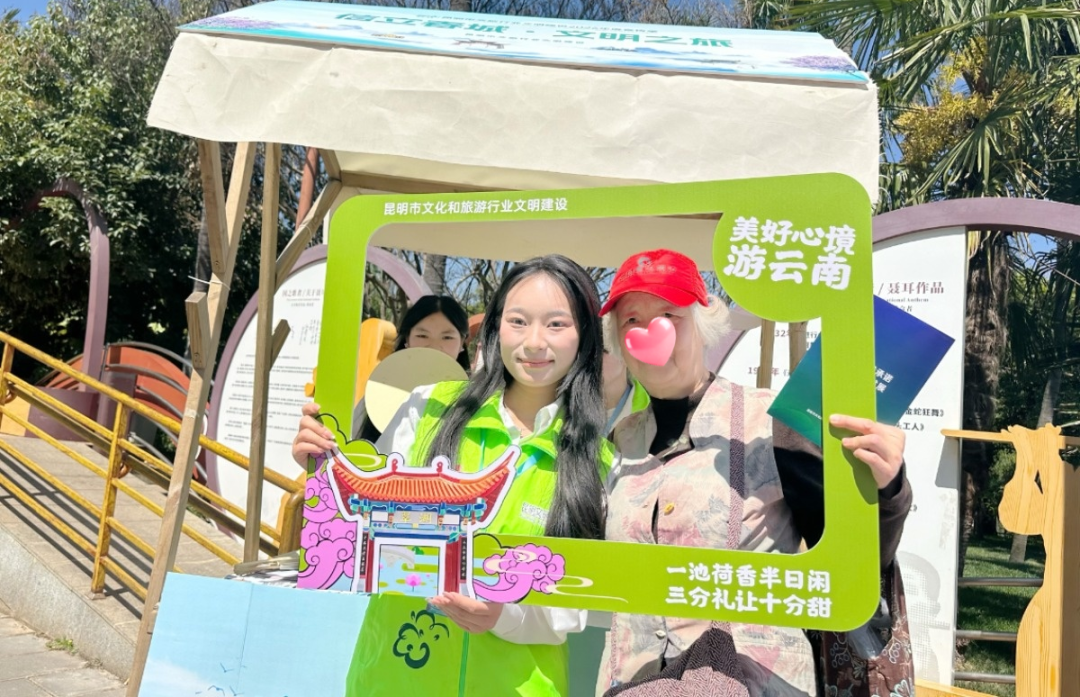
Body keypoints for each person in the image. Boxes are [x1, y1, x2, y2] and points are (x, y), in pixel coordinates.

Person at [597, 248, 913, 697]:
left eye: (669, 314)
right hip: (631, 683)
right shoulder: (618, 441)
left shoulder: (771, 423)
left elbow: (853, 556)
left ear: (702, 324)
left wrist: (887, 486)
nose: (652, 331)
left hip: (753, 682)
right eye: (632, 320)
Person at [336, 255, 614, 697]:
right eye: (518, 321)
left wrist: (505, 615)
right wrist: (322, 464)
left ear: (584, 337)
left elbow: (574, 604)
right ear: (496, 327)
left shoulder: (597, 462)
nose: (534, 342)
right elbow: (353, 523)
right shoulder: (428, 408)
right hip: (393, 678)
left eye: (556, 325)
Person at [291, 294, 470, 457]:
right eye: (422, 335)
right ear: (407, 340)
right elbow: (347, 456)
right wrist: (317, 452)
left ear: (462, 342)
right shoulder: (379, 393)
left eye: (447, 337)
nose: (434, 346)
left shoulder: (475, 400)